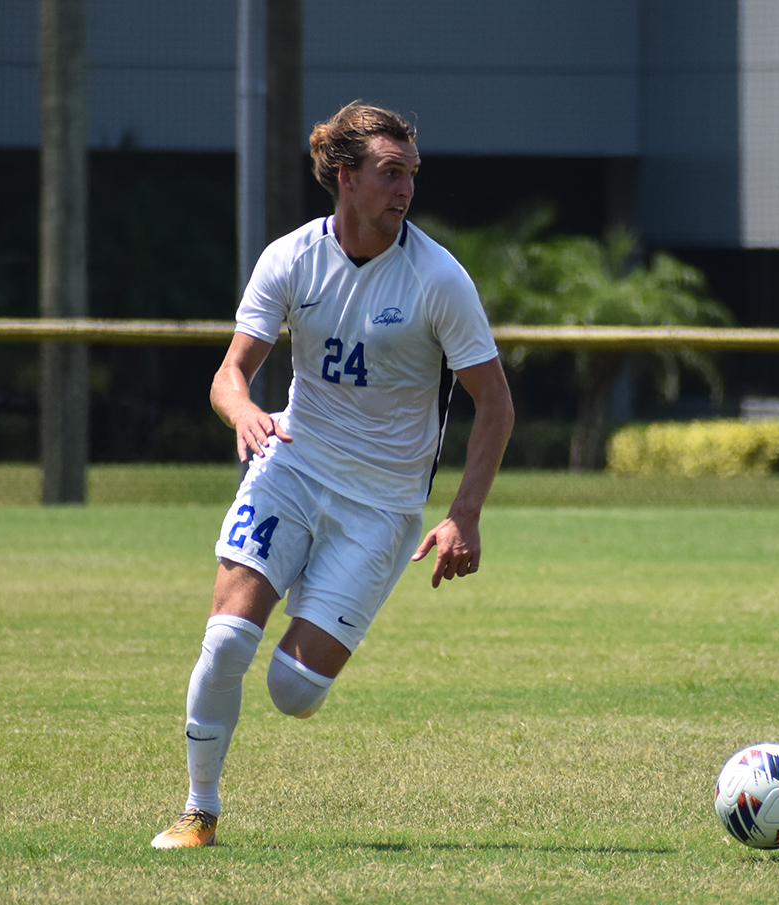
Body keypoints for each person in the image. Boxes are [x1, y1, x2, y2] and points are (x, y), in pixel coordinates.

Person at [152, 102, 514, 848]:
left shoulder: (438, 278)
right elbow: (229, 375)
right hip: (291, 466)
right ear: (345, 178)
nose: (405, 190)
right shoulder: (290, 258)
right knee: (225, 642)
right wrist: (246, 413)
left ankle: (314, 607)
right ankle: (199, 809)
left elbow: (496, 403)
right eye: (390, 173)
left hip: (381, 508)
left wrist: (465, 513)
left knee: (293, 691)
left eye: (412, 174)